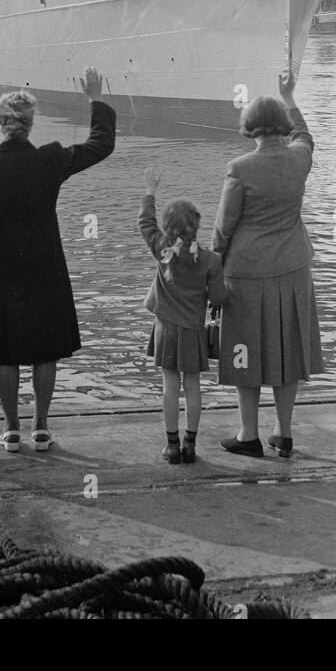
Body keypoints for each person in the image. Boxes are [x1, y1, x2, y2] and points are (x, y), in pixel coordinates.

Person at [0, 68, 116, 452]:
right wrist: (95, 99)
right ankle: (42, 427)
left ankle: (11, 428)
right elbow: (100, 144)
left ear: (2, 126)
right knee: (45, 349)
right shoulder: (50, 160)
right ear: (30, 125)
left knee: (5, 350)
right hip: (45, 266)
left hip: (2, 271)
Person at [211, 69, 323, 459]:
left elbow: (223, 229)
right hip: (293, 269)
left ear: (250, 128)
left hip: (247, 273)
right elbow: (306, 136)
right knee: (287, 353)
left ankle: (248, 435)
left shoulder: (239, 168)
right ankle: (284, 432)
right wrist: (289, 96)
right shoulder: (299, 159)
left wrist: (213, 270)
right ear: (281, 126)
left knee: (246, 352)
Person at [139, 165, 227, 464]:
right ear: (197, 227)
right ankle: (190, 445)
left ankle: (171, 446)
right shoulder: (210, 260)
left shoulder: (163, 251)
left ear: (168, 229)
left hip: (165, 329)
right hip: (193, 332)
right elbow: (218, 298)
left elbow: (145, 223)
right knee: (192, 386)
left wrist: (151, 190)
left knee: (169, 386)